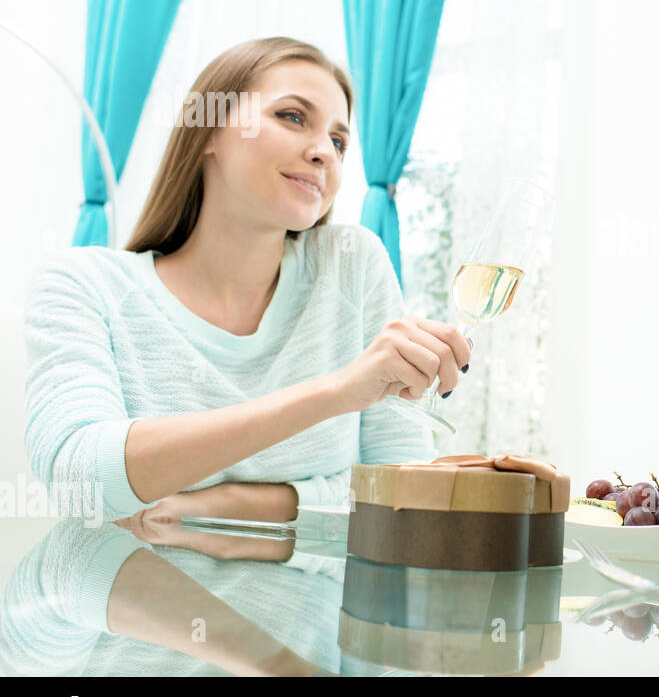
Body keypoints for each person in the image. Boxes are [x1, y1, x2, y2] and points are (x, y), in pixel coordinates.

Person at [24, 36, 467, 530]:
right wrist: (337, 392)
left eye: (339, 142)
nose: (324, 152)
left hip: (315, 606)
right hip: (124, 599)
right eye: (293, 117)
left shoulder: (351, 267)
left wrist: (226, 507)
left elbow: (403, 495)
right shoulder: (85, 285)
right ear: (207, 130)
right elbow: (79, 481)